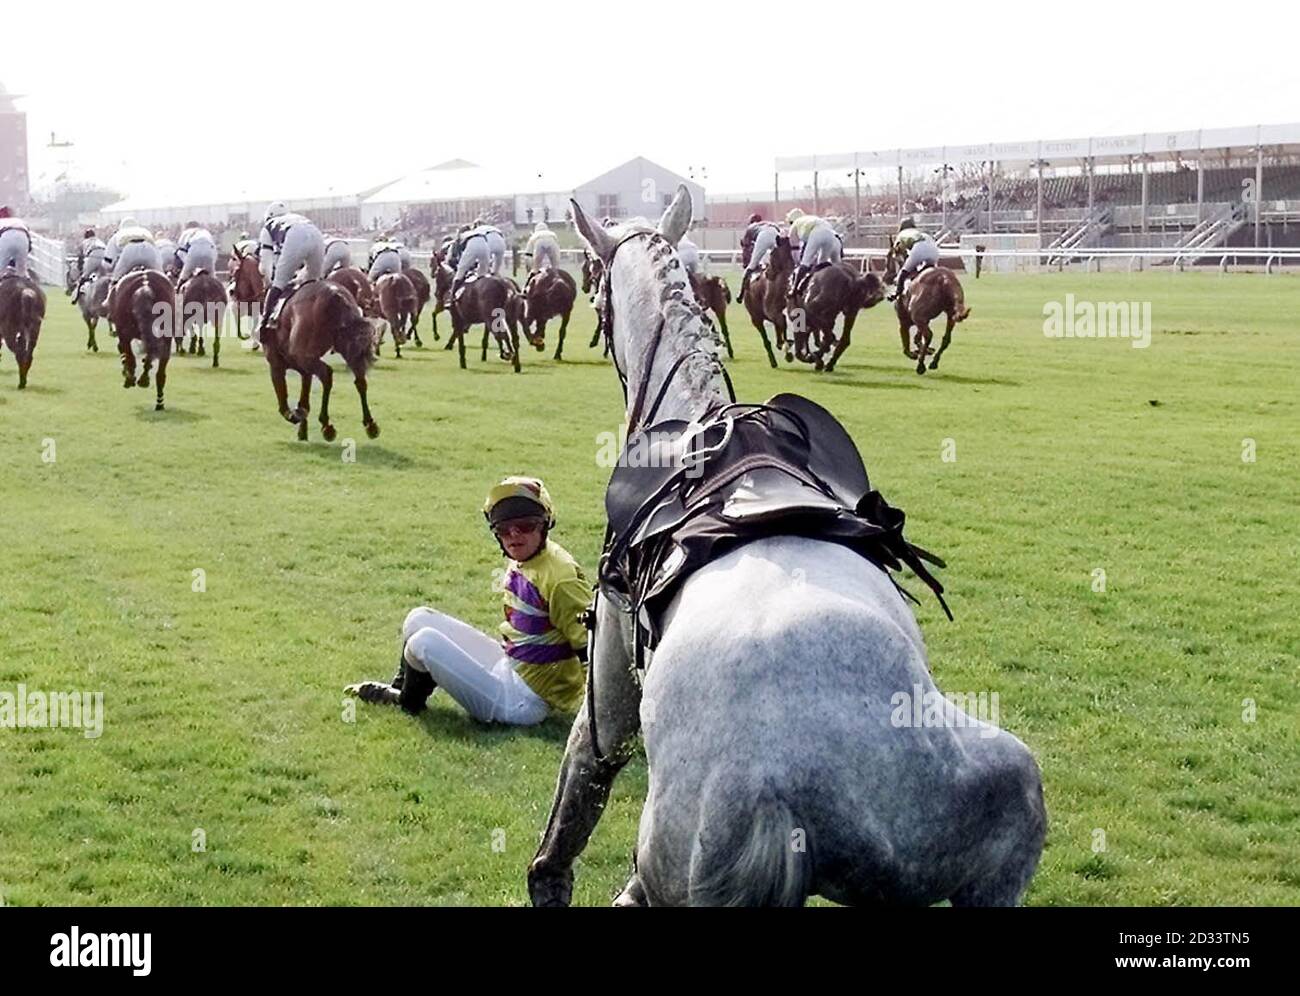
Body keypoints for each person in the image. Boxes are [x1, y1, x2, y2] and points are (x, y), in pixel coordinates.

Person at [345, 477, 593, 725]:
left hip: (524, 701)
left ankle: (406, 703)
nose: (514, 535)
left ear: (546, 524)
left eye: (526, 525)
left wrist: (597, 715)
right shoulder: (527, 556)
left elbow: (590, 645)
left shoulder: (561, 577)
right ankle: (401, 689)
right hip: (510, 665)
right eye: (503, 529)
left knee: (424, 642)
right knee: (417, 618)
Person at [257, 201, 325, 335]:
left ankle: (264, 324)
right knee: (313, 283)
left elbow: (266, 264)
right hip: (317, 234)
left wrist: (269, 282)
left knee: (279, 283)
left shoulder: (268, 227)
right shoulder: (296, 217)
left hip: (295, 236)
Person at [786, 207, 842, 298]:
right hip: (831, 234)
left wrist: (798, 263)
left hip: (816, 233)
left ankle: (794, 289)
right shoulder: (810, 219)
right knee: (822, 263)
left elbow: (795, 249)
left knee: (805, 263)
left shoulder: (795, 226)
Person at [888, 218, 938, 301]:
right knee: (929, 271)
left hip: (919, 248)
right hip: (935, 251)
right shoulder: (919, 232)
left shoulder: (901, 235)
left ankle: (897, 293)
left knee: (903, 273)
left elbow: (899, 254)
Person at [737, 212, 781, 304]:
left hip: (763, 236)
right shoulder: (768, 223)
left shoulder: (750, 228)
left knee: (751, 265)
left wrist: (747, 264)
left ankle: (741, 294)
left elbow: (746, 249)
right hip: (776, 234)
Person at [175, 221, 218, 289]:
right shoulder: (206, 232)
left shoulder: (185, 232)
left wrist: (186, 266)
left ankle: (178, 288)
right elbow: (215, 251)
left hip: (193, 252)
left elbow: (180, 252)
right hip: (209, 253)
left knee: (183, 277)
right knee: (214, 280)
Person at [0, 205, 32, 277]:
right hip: (23, 238)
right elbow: (29, 242)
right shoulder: (19, 221)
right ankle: (27, 282)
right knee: (22, 271)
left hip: (6, 236)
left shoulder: (1, 221)